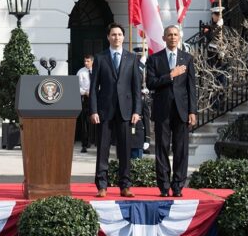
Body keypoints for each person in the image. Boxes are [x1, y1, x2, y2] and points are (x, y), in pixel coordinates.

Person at [89, 23, 143, 197]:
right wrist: (94, 110)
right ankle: (102, 185)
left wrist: (137, 111)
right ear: (108, 37)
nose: (117, 37)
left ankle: (125, 185)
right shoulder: (100, 58)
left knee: (125, 150)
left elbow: (137, 88)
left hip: (126, 111)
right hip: (104, 111)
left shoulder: (132, 58)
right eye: (113, 34)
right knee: (103, 149)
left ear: (123, 37)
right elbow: (93, 88)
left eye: (120, 34)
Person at [145, 25, 197, 197]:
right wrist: (170, 75)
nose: (173, 37)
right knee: (162, 148)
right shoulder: (154, 59)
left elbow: (191, 88)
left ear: (179, 37)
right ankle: (164, 186)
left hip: (182, 111)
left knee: (181, 149)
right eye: (169, 35)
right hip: (162, 110)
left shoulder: (187, 58)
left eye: (175, 34)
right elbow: (151, 83)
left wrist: (192, 111)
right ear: (164, 37)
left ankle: (178, 185)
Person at [76, 53, 95, 153]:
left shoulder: (96, 70)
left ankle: (94, 141)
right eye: (85, 61)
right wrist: (85, 92)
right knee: (84, 121)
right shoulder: (81, 72)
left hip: (96, 98)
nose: (86, 63)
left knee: (96, 120)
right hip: (85, 98)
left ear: (92, 61)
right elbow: (76, 86)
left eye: (88, 61)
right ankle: (84, 143)